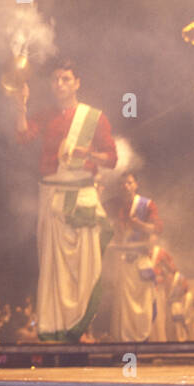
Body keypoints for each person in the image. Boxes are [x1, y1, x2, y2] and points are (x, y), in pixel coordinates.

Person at [14, 60, 117, 341]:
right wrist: (21, 104)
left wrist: (89, 155)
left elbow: (112, 159)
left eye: (66, 79)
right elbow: (23, 136)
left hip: (81, 196)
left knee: (85, 268)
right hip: (51, 197)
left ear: (77, 83)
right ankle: (54, 328)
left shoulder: (94, 118)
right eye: (56, 79)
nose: (60, 84)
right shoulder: (46, 116)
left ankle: (82, 329)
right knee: (53, 268)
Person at [104, 173, 164, 342]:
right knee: (123, 306)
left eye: (129, 183)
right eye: (123, 183)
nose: (126, 186)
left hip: (141, 261)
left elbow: (157, 229)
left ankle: (141, 340)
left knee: (143, 304)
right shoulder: (119, 207)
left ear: (136, 184)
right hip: (124, 261)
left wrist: (140, 226)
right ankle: (125, 343)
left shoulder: (147, 205)